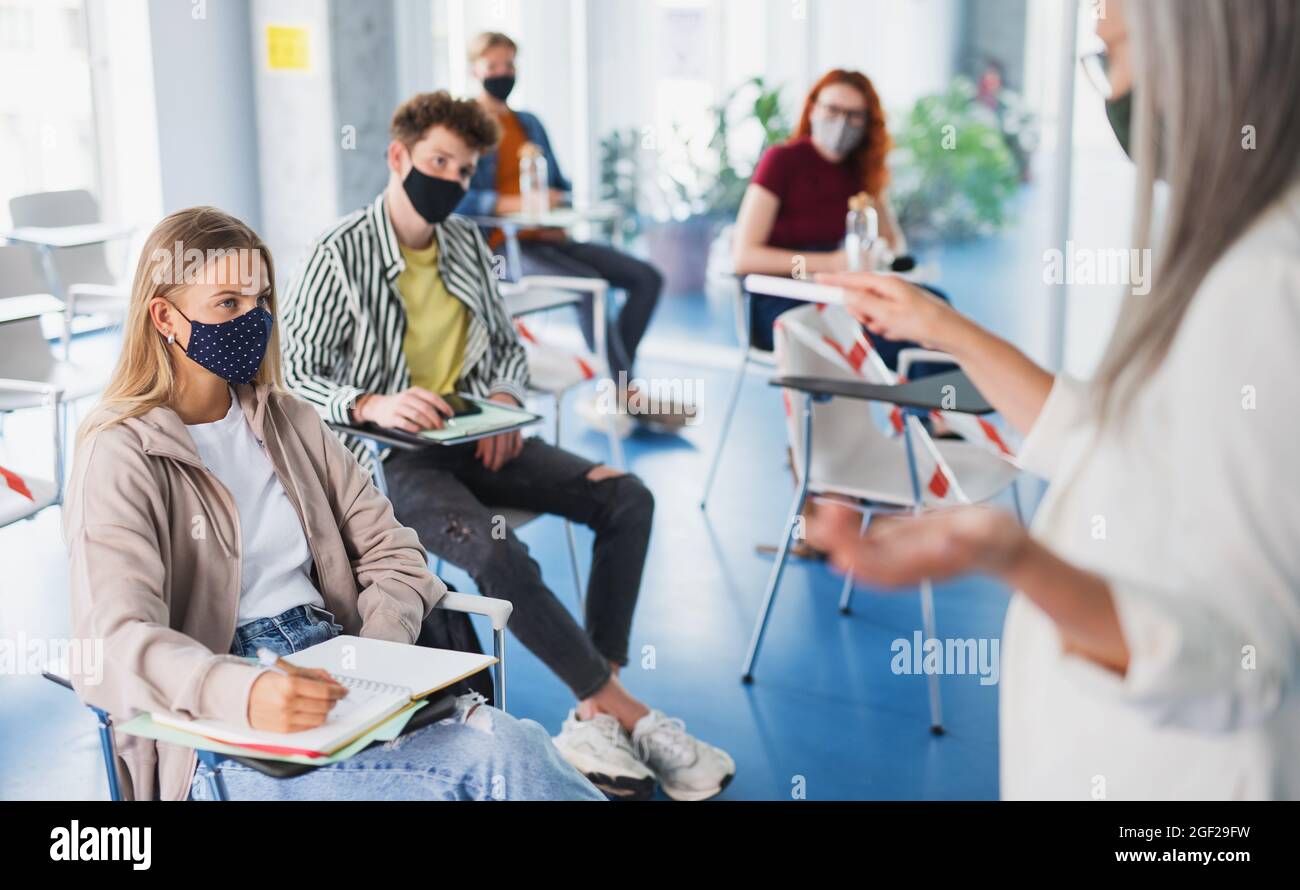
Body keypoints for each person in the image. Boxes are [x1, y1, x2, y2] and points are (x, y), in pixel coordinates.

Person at [808, 0, 1300, 799]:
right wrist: (944, 328)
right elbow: (1110, 449)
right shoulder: (1237, 257)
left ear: (1202, 46)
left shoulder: (1264, 287)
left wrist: (1012, 557)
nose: (1115, 93)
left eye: (1116, 52)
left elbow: (1244, 662)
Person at [280, 91, 734, 801]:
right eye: (439, 162)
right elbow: (296, 379)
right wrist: (371, 402)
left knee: (627, 496)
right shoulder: (337, 254)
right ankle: (622, 710)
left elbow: (504, 352)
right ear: (399, 157)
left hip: (481, 440)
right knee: (495, 552)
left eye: (464, 171)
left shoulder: (465, 245)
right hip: (393, 458)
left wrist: (506, 406)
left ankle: (593, 705)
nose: (452, 182)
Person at [64, 206, 604, 801]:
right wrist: (242, 691)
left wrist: (376, 656)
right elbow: (114, 640)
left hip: (340, 669)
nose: (253, 319)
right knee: (494, 765)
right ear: (165, 316)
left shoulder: (289, 419)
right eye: (227, 304)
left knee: (512, 741)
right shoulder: (120, 451)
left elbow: (395, 554)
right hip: (214, 729)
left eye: (261, 299)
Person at [460, 31, 689, 432]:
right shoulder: (466, 128)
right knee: (589, 287)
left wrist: (554, 205)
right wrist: (513, 205)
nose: (503, 73)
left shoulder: (528, 122)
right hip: (501, 248)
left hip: (547, 237)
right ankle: (623, 391)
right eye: (493, 66)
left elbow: (560, 185)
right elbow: (460, 198)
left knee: (645, 277)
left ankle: (616, 386)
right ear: (475, 69)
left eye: (509, 65)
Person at [733, 69, 914, 359]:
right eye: (833, 109)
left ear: (867, 123)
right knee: (897, 333)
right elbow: (744, 257)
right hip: (782, 297)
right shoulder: (781, 161)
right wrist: (831, 263)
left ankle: (930, 403)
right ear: (813, 109)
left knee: (931, 308)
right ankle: (919, 403)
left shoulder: (860, 172)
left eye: (854, 115)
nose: (842, 122)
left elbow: (893, 244)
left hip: (833, 293)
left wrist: (873, 254)